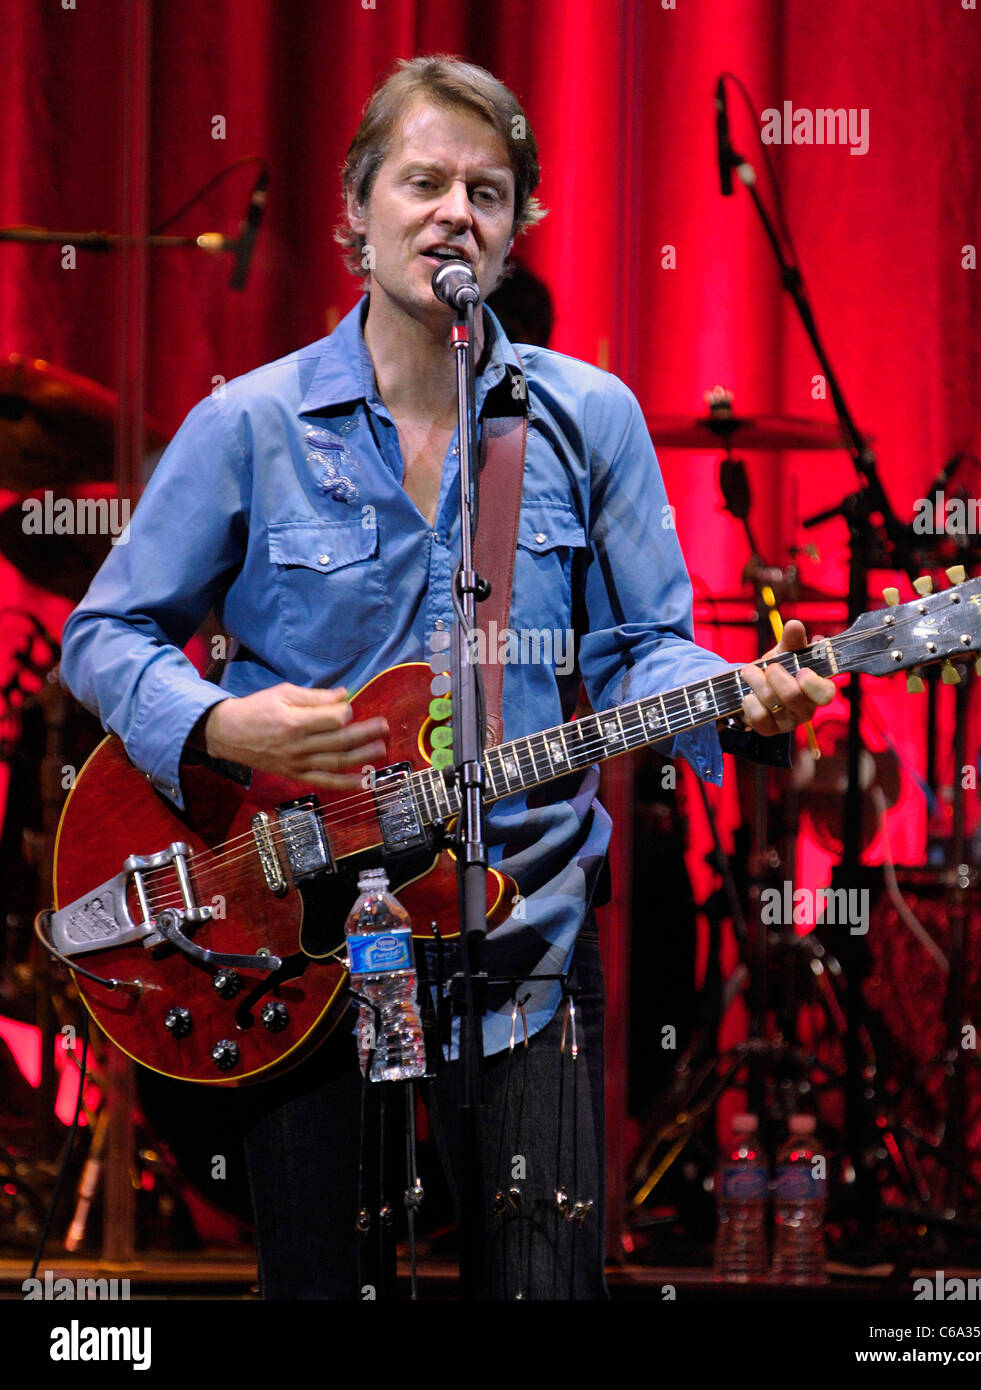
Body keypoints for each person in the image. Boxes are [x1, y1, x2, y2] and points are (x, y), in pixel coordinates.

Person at [60, 55, 836, 1299]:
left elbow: (646, 651)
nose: (453, 212)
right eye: (421, 182)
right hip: (304, 944)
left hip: (524, 935)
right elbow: (103, 637)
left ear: (516, 228)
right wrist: (222, 724)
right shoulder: (248, 425)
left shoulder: (589, 419)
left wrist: (739, 694)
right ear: (354, 212)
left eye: (486, 190)